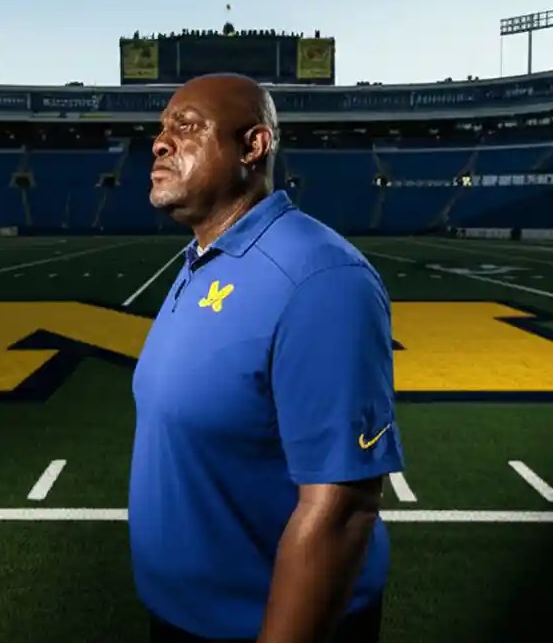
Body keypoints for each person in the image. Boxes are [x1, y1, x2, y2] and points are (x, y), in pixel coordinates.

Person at [129, 73, 405, 643]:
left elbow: (342, 510)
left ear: (252, 147)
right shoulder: (202, 259)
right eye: (161, 128)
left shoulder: (320, 278)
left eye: (186, 127)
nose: (159, 141)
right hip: (181, 617)